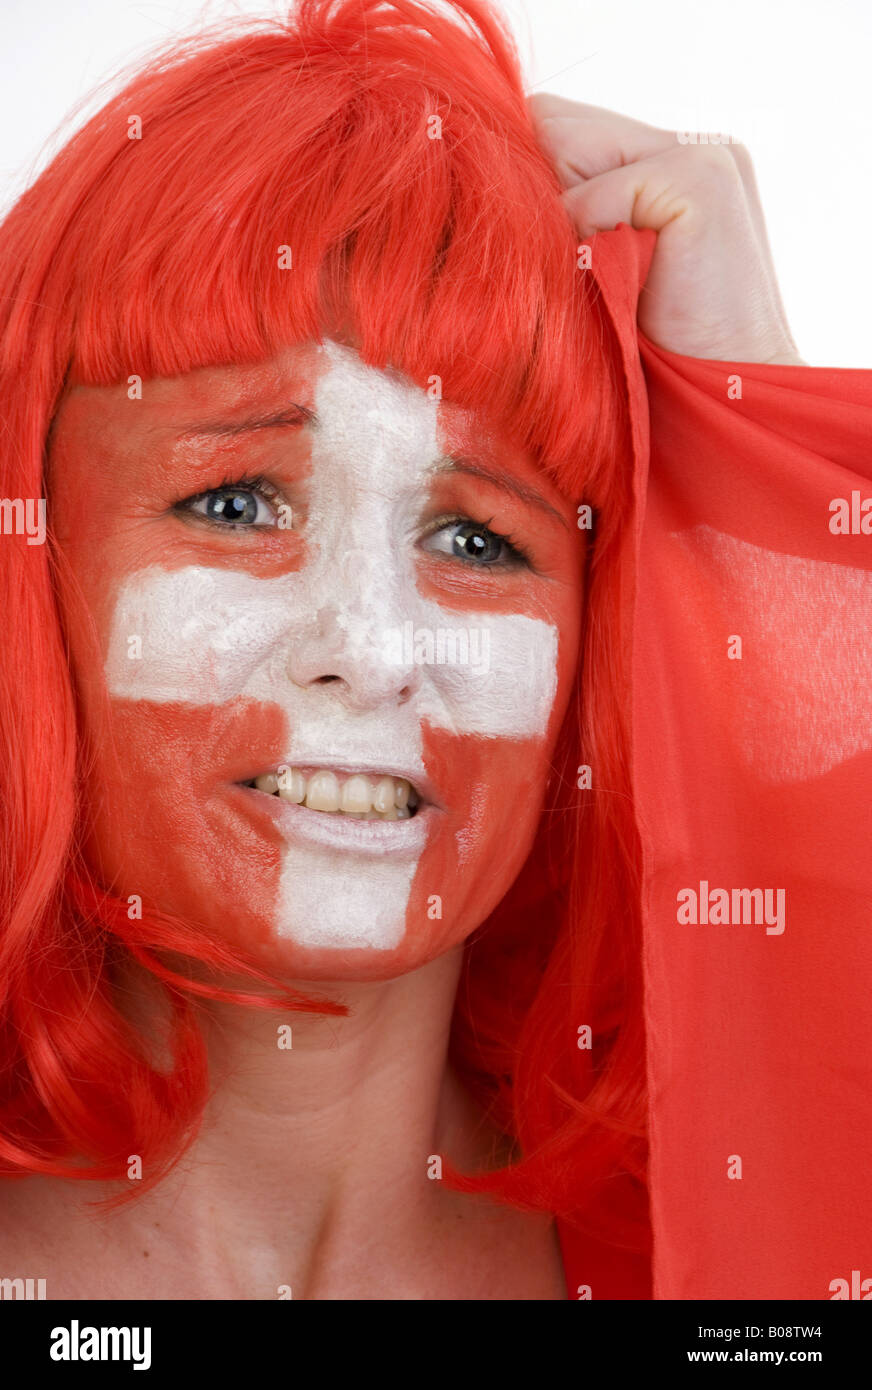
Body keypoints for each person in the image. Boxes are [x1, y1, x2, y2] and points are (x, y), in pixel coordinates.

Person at [0, 0, 869, 1301]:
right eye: (236, 505)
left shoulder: (729, 1266)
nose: (371, 647)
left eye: (476, 539)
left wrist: (765, 478)